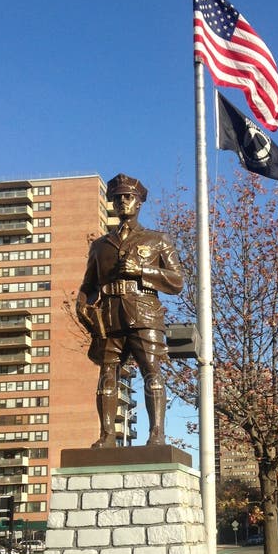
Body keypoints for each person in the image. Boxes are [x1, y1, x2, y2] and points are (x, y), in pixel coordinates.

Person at [76, 173, 184, 448]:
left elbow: (177, 281)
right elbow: (89, 284)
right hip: (109, 316)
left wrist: (143, 271)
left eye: (128, 197)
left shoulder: (157, 239)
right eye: (117, 198)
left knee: (151, 370)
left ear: (139, 203)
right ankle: (107, 435)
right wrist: (82, 305)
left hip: (144, 312)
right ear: (112, 203)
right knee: (107, 375)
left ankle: (156, 434)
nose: (123, 202)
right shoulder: (99, 246)